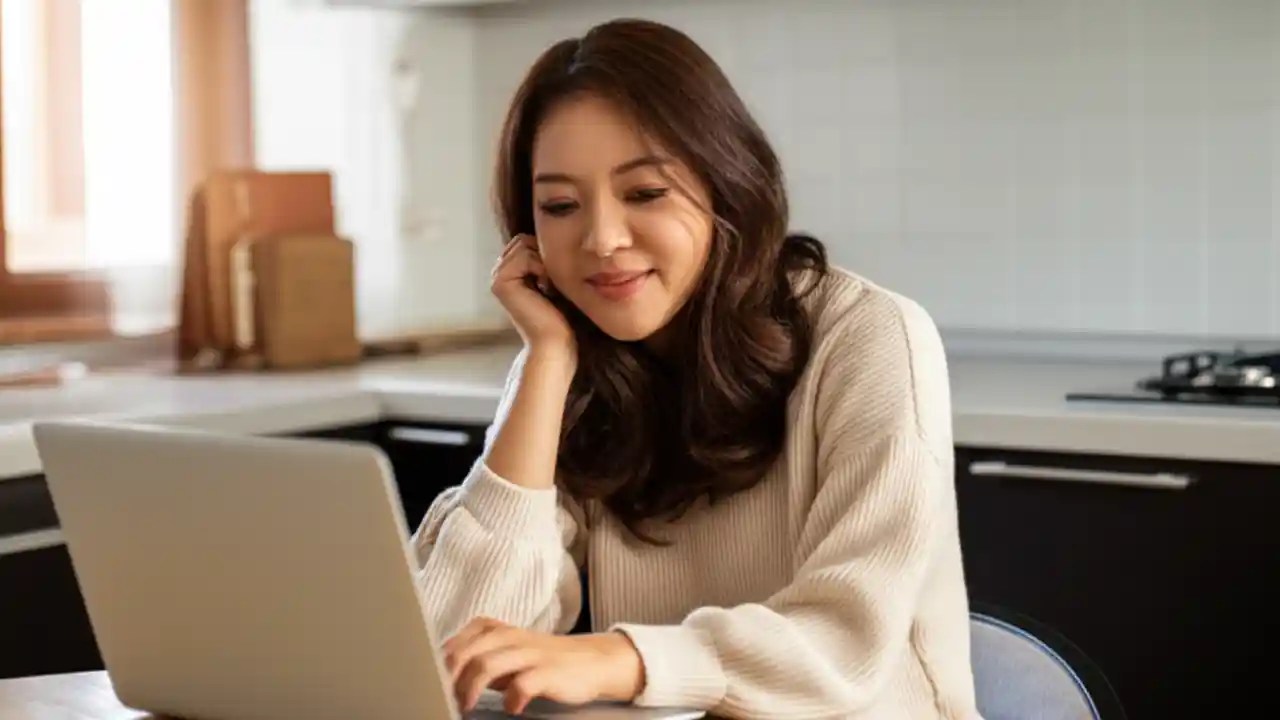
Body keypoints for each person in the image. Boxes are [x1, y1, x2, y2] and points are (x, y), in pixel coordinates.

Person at [412, 17, 980, 720]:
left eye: (645, 193)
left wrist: (619, 658)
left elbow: (847, 642)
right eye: (560, 205)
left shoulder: (870, 337)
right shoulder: (566, 360)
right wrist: (547, 361)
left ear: (724, 183)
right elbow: (448, 651)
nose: (602, 240)